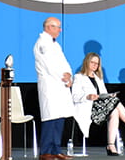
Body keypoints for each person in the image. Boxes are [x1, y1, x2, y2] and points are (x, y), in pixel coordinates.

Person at [72, 52, 125, 155]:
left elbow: (103, 94)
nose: (95, 65)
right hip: (88, 108)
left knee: (115, 111)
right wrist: (88, 96)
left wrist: (109, 96)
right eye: (92, 62)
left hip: (101, 106)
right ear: (87, 62)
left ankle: (111, 145)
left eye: (97, 63)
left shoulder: (98, 78)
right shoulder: (78, 77)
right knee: (115, 104)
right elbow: (74, 96)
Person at [34, 17, 74, 160]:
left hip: (60, 85)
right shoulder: (42, 44)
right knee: (50, 118)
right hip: (50, 85)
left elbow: (64, 62)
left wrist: (69, 75)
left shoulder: (55, 44)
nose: (60, 30)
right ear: (49, 27)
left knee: (59, 118)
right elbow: (49, 66)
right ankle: (46, 151)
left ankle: (56, 149)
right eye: (57, 27)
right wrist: (63, 76)